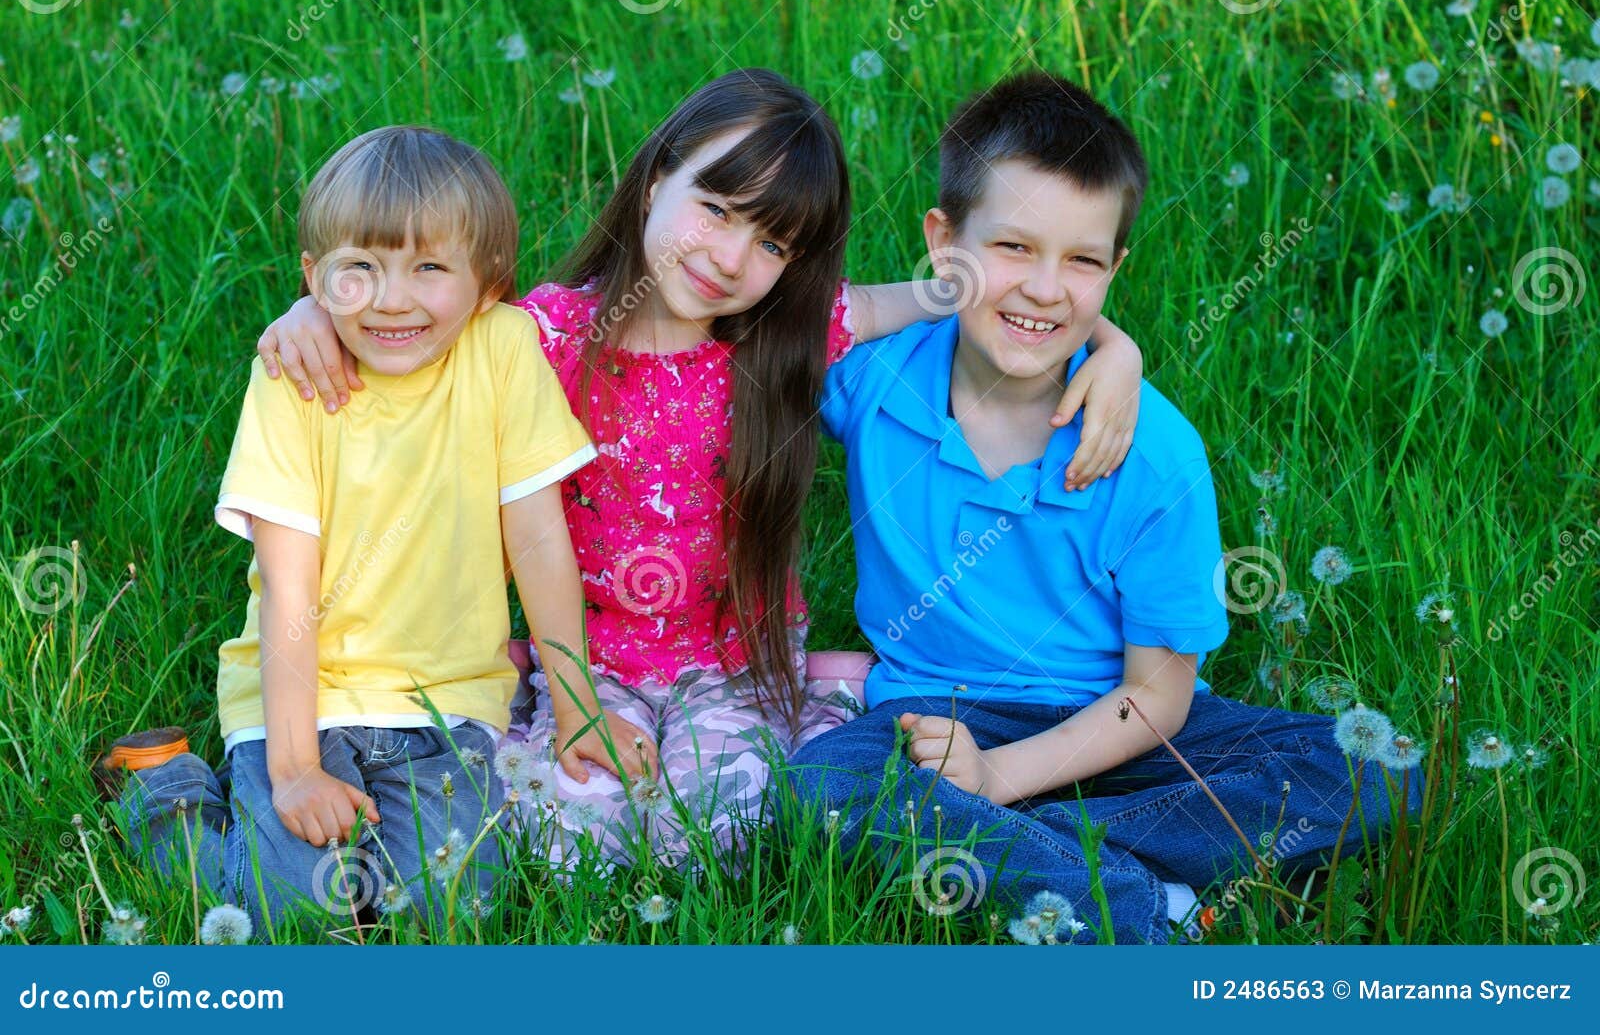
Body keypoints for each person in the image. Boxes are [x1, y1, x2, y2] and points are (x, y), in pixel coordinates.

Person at [253, 69, 1147, 875]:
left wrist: (1113, 344)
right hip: (589, 659)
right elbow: (415, 315)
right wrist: (309, 313)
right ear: (654, 181)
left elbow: (967, 289)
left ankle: (813, 704)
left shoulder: (785, 339)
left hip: (732, 659)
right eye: (715, 209)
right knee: (554, 840)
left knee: (733, 829)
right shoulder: (541, 337)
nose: (730, 258)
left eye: (772, 244)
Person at [784, 71, 1419, 943]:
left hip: (1125, 731)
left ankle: (1059, 860)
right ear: (943, 242)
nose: (1046, 290)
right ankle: (1138, 901)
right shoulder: (876, 380)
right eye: (1012, 247)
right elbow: (779, 309)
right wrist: (1113, 342)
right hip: (931, 717)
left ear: (1115, 269)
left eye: (1081, 261)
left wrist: (997, 778)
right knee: (819, 789)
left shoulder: (1155, 455)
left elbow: (1158, 694)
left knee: (1374, 767)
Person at [104, 125, 608, 933]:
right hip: (309, 698)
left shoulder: (506, 349)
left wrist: (576, 702)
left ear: (488, 287)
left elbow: (540, 540)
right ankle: (164, 793)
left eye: (430, 267)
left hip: (449, 701)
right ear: (314, 278)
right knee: (298, 912)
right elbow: (290, 589)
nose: (391, 297)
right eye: (359, 269)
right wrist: (298, 768)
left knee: (451, 911)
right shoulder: (293, 378)